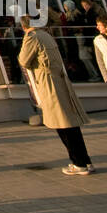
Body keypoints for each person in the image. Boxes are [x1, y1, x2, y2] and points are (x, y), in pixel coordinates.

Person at [18, 16, 93, 174]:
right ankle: (85, 160)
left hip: (48, 83)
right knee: (71, 123)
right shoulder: (46, 35)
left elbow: (23, 60)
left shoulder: (31, 37)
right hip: (60, 80)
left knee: (62, 124)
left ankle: (78, 163)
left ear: (24, 26)